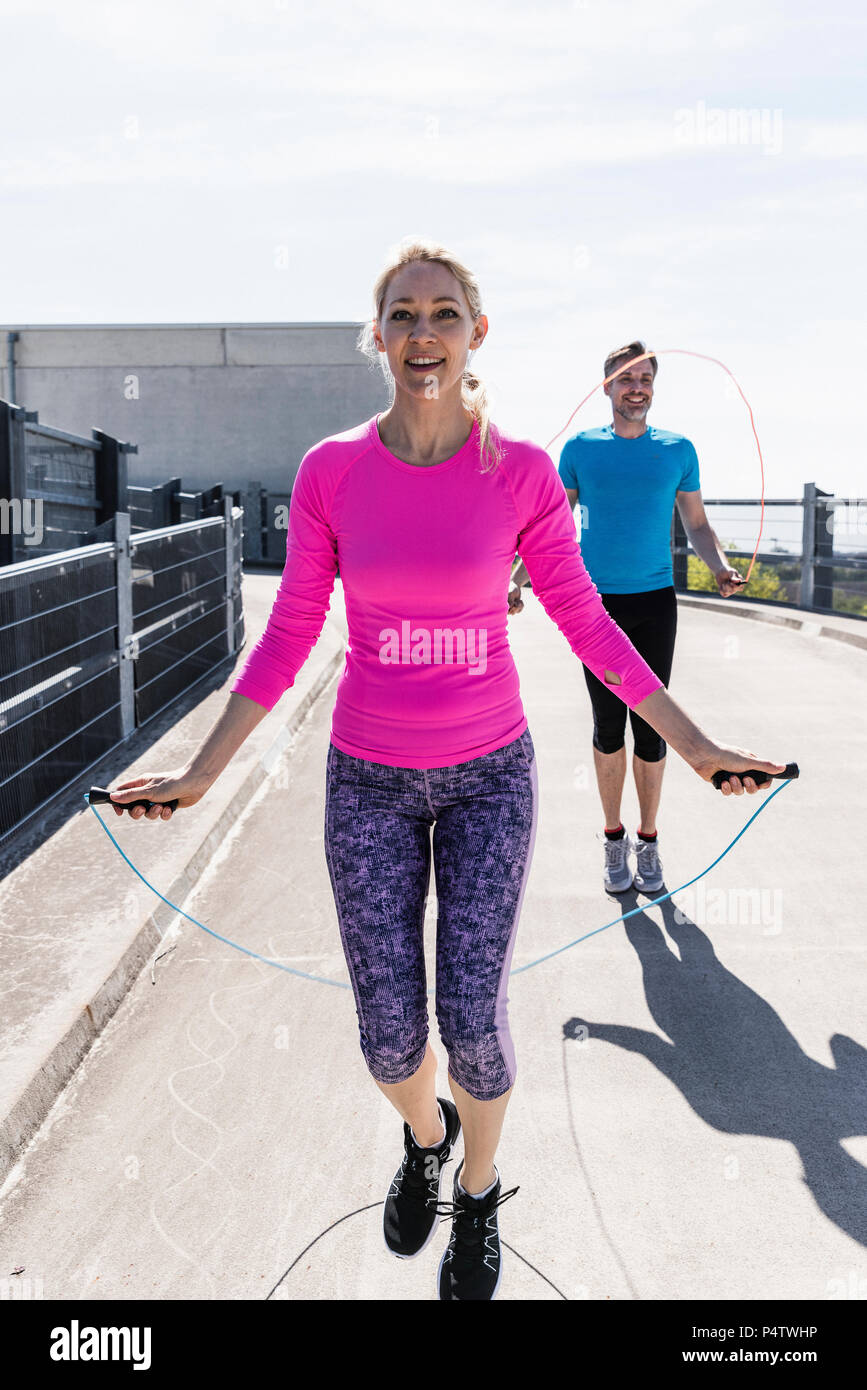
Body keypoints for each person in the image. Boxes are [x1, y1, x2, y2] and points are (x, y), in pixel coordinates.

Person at [105, 243, 785, 1302]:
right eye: (404, 314)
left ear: (476, 331)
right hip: (367, 779)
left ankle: (477, 1191)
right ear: (378, 336)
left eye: (445, 314)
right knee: (388, 1038)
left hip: (487, 780)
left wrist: (691, 744)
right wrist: (199, 774)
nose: (424, 333)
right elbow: (289, 638)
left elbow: (588, 624)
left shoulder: (514, 473)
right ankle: (424, 1138)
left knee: (472, 1019)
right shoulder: (332, 470)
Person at [509, 340, 745, 895]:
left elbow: (698, 525)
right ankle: (613, 838)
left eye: (644, 378)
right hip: (593, 607)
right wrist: (513, 581)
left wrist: (721, 567)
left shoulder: (678, 450)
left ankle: (649, 839)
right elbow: (549, 528)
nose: (635, 386)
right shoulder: (580, 450)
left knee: (653, 727)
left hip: (654, 601)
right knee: (607, 724)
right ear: (607, 387)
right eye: (625, 378)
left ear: (652, 388)